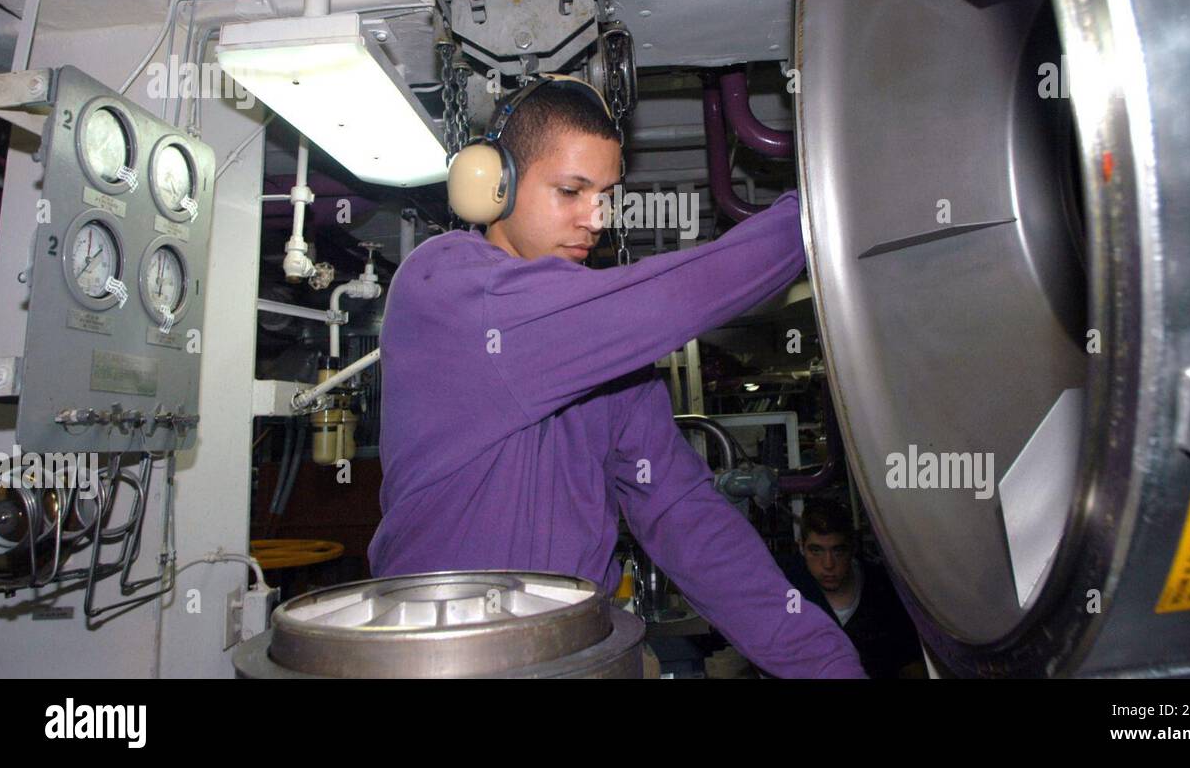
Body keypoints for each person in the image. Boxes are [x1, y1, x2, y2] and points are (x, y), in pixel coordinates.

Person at [369, 79, 862, 678]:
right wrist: (818, 209)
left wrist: (828, 663)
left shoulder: (611, 362)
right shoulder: (445, 287)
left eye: (604, 195)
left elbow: (684, 517)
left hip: (577, 656)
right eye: (571, 191)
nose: (594, 219)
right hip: (440, 658)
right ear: (496, 185)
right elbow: (662, 304)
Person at [779, 499, 925, 678]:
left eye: (838, 551)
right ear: (801, 547)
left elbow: (909, 660)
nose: (828, 564)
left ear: (852, 547)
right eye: (816, 551)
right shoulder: (786, 587)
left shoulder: (881, 590)